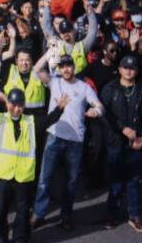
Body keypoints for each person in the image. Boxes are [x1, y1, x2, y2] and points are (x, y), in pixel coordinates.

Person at [31, 50, 103, 231]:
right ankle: (38, 215)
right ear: (59, 69)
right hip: (54, 136)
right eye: (62, 66)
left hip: (75, 141)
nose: (66, 69)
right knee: (44, 179)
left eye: (68, 66)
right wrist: (48, 54)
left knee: (71, 182)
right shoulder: (54, 82)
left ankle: (66, 216)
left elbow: (99, 104)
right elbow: (37, 69)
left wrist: (97, 111)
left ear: (73, 67)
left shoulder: (84, 87)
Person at [0, 89, 61, 243]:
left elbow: (49, 120)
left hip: (23, 177)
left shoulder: (32, 122)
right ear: (7, 104)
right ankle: (0, 240)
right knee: (0, 211)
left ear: (24, 105)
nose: (16, 108)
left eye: (20, 105)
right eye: (13, 104)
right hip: (2, 175)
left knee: (23, 213)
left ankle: (21, 241)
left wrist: (59, 109)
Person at [99, 54, 142, 232]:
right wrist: (121, 129)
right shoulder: (110, 89)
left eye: (132, 68)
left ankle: (135, 216)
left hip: (137, 143)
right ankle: (112, 214)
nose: (129, 71)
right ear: (120, 69)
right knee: (116, 181)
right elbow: (103, 114)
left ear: (137, 70)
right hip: (116, 142)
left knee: (135, 181)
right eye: (125, 67)